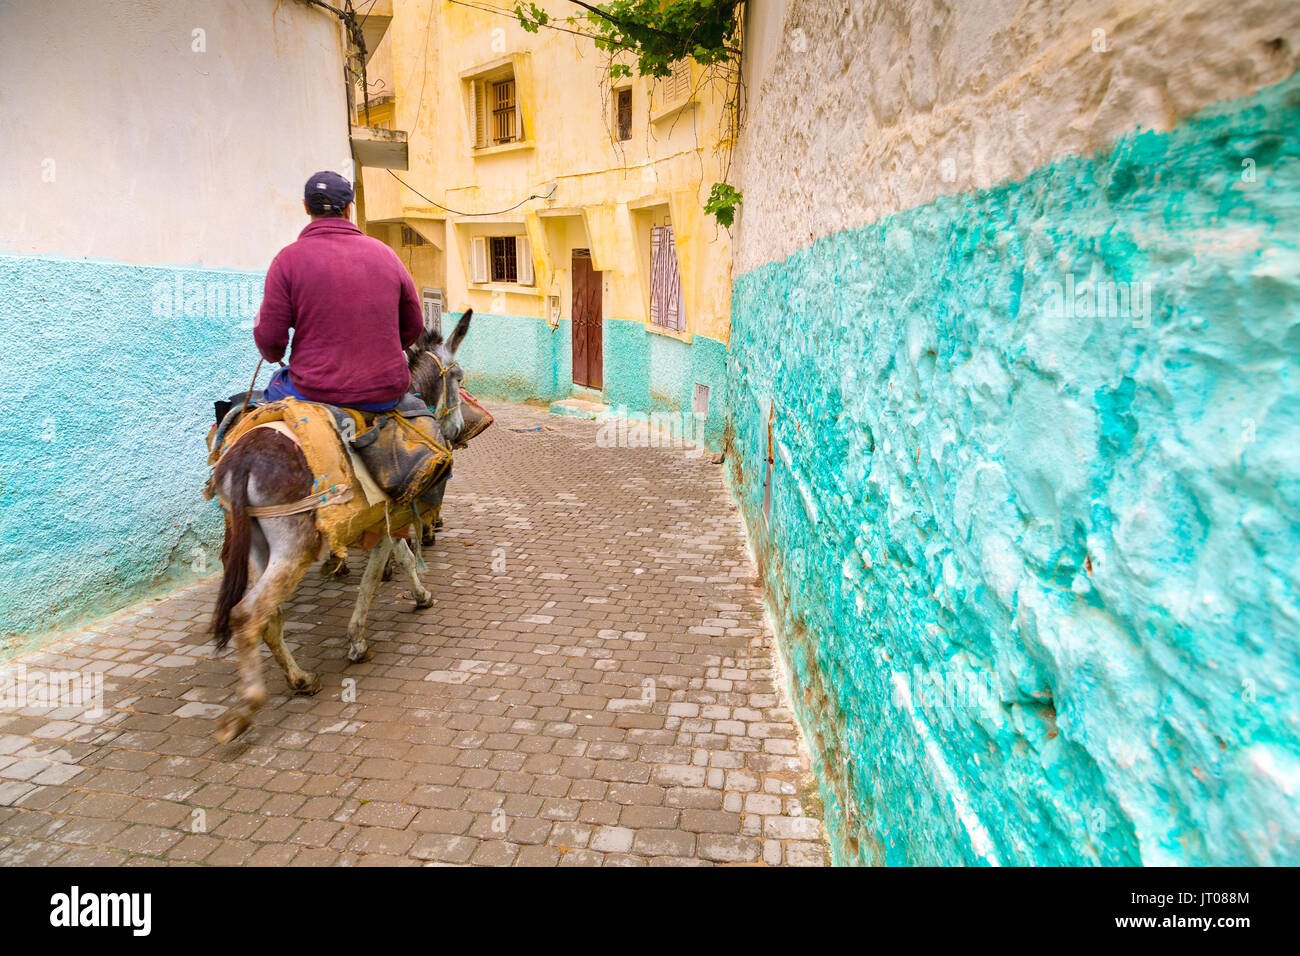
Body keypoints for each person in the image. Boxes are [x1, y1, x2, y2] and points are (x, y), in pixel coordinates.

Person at [255, 170, 424, 411]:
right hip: (385, 392)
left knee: (274, 386)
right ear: (347, 209)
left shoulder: (286, 260)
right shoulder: (387, 255)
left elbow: (271, 343)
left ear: (305, 207)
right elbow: (413, 326)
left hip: (313, 392)